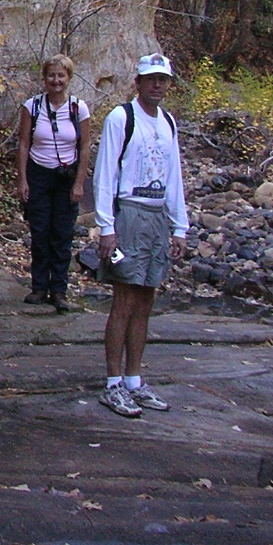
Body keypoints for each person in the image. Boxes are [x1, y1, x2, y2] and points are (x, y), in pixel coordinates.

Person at [90, 53, 189, 417]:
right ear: (139, 82)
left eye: (163, 79)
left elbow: (174, 174)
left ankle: (134, 379)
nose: (158, 85)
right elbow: (105, 174)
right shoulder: (122, 118)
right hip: (129, 212)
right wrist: (107, 227)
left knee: (146, 298)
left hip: (157, 214)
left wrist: (179, 225)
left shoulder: (168, 123)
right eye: (151, 79)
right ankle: (113, 382)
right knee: (124, 299)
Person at [15, 55, 91, 313]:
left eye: (61, 76)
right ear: (44, 78)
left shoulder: (78, 108)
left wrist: (79, 183)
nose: (56, 81)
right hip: (38, 173)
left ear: (68, 78)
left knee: (62, 234)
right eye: (51, 76)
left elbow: (84, 145)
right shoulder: (32, 107)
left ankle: (59, 291)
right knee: (40, 232)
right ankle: (38, 287)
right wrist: (23, 179)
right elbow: (24, 143)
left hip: (66, 176)